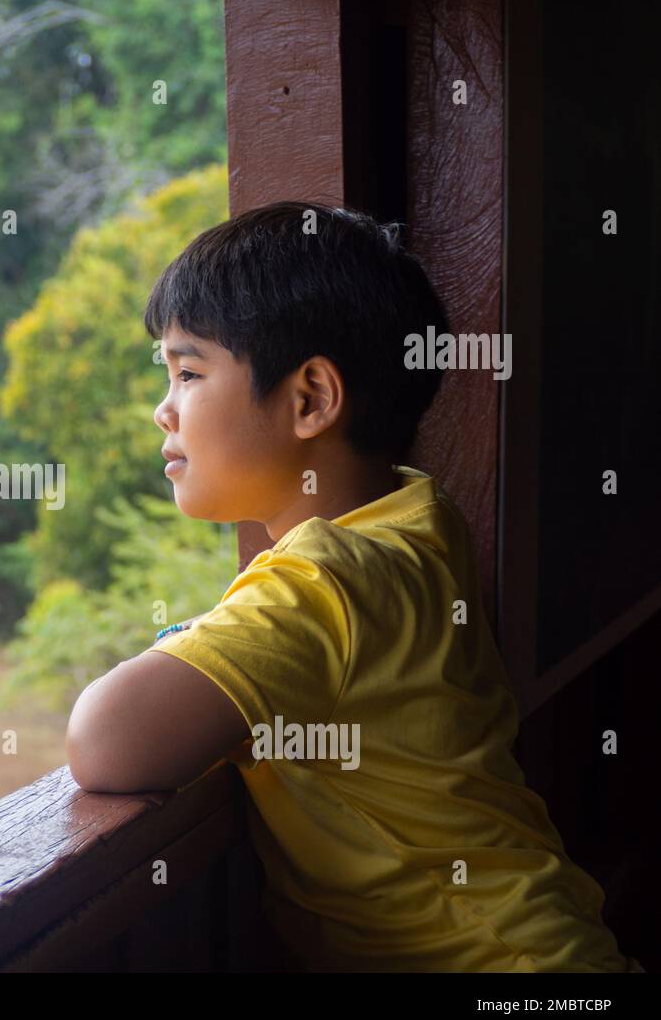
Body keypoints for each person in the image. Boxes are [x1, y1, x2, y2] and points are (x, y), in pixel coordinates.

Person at [65, 202, 644, 973]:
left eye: (189, 372)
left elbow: (106, 740)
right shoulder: (419, 517)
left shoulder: (323, 580)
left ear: (310, 399)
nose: (161, 408)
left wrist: (195, 647)